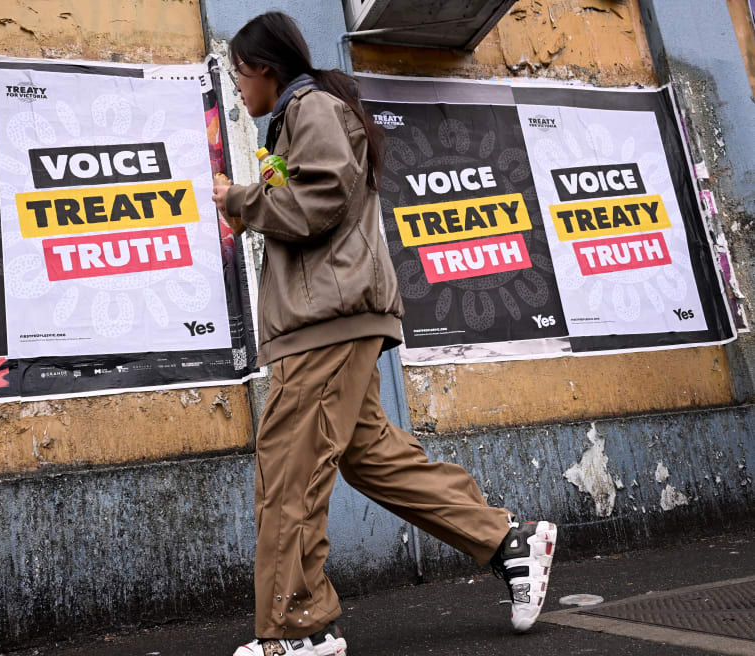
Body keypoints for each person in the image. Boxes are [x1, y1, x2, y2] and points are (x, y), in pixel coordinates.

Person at [211, 11, 558, 656]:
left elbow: (320, 199)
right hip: (334, 320)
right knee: (371, 457)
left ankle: (298, 631)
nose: (237, 86)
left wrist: (240, 199)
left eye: (238, 72)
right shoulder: (302, 114)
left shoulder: (309, 107)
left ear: (265, 68)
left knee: (289, 474)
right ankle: (507, 539)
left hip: (325, 327)